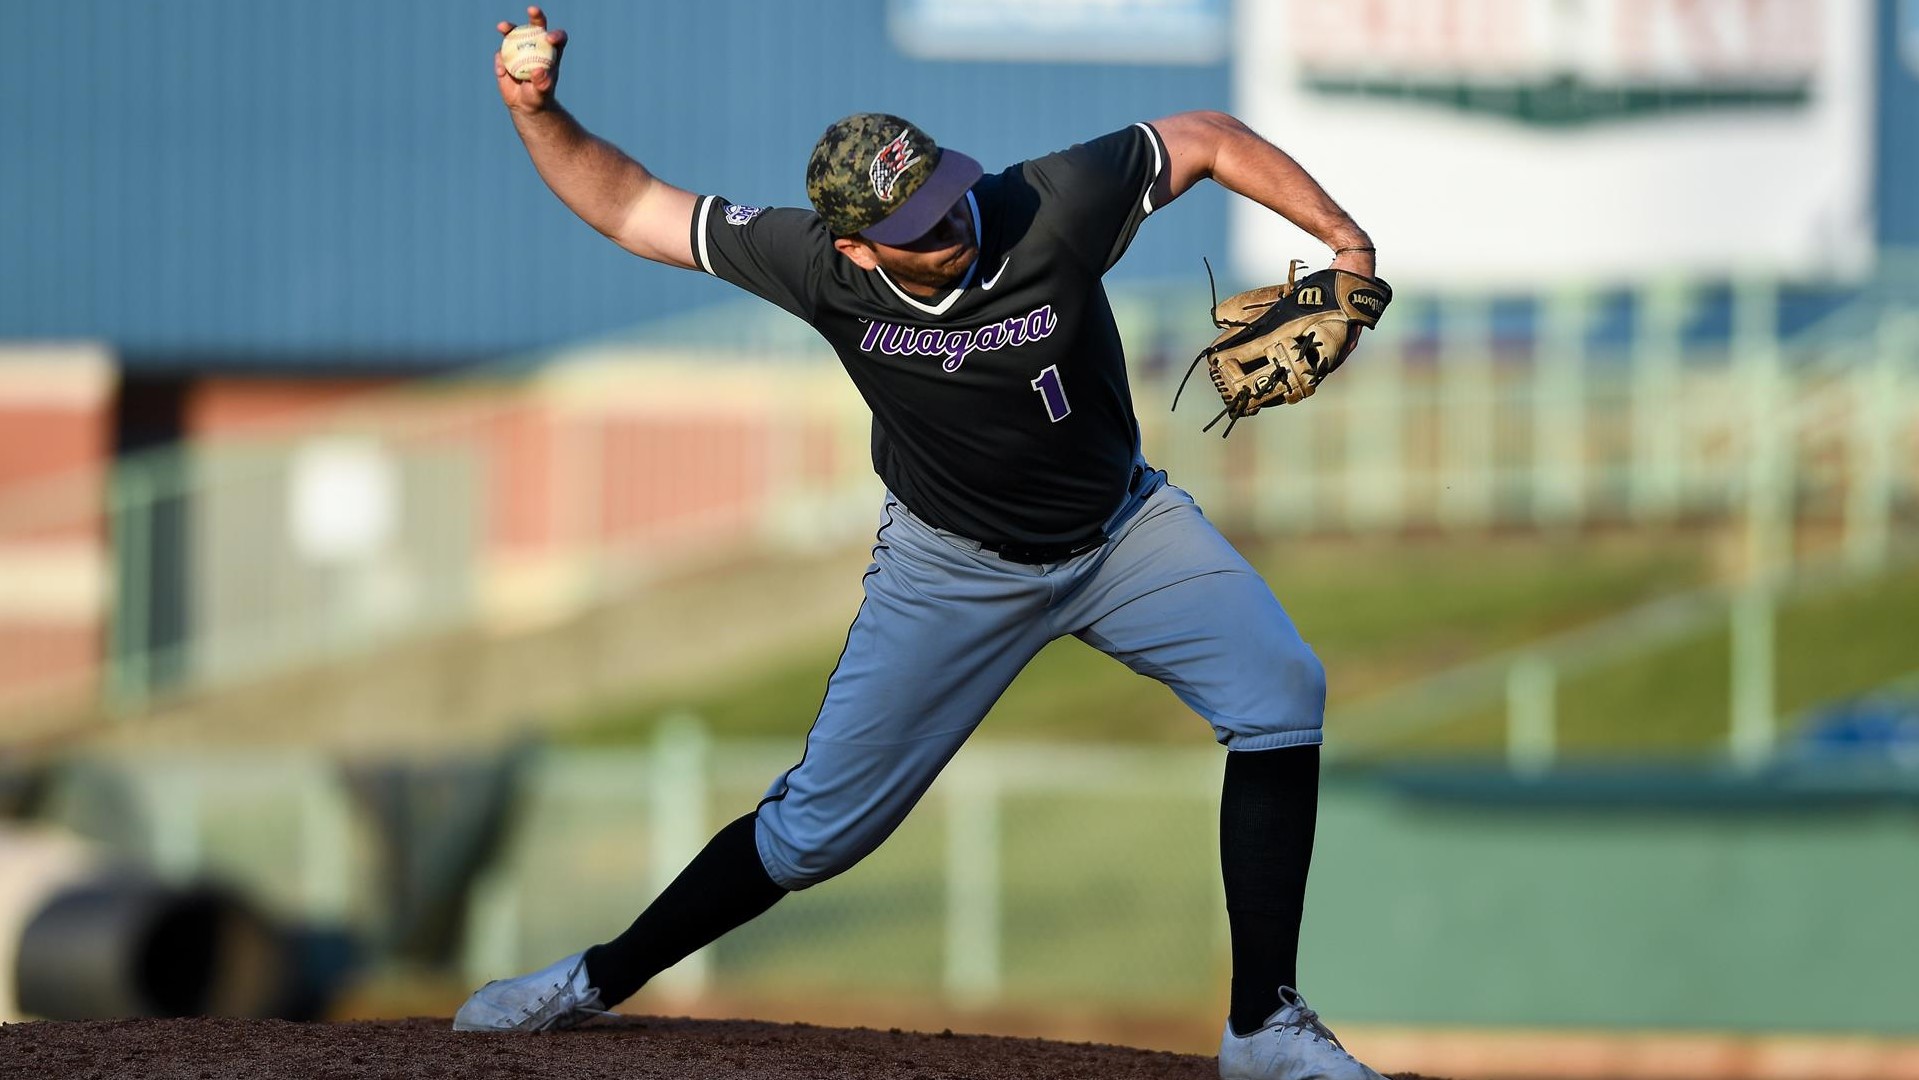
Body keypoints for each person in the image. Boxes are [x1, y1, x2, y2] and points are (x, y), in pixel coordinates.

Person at [456, 8, 1390, 1079]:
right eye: (919, 224)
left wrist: (1343, 241)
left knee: (1280, 689)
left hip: (1121, 532)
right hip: (950, 567)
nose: (953, 227)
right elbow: (627, 204)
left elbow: (1209, 135)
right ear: (853, 244)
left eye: (946, 196)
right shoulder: (817, 266)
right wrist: (538, 112)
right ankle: (589, 981)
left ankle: (1261, 1027)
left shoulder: (1044, 204)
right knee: (814, 836)